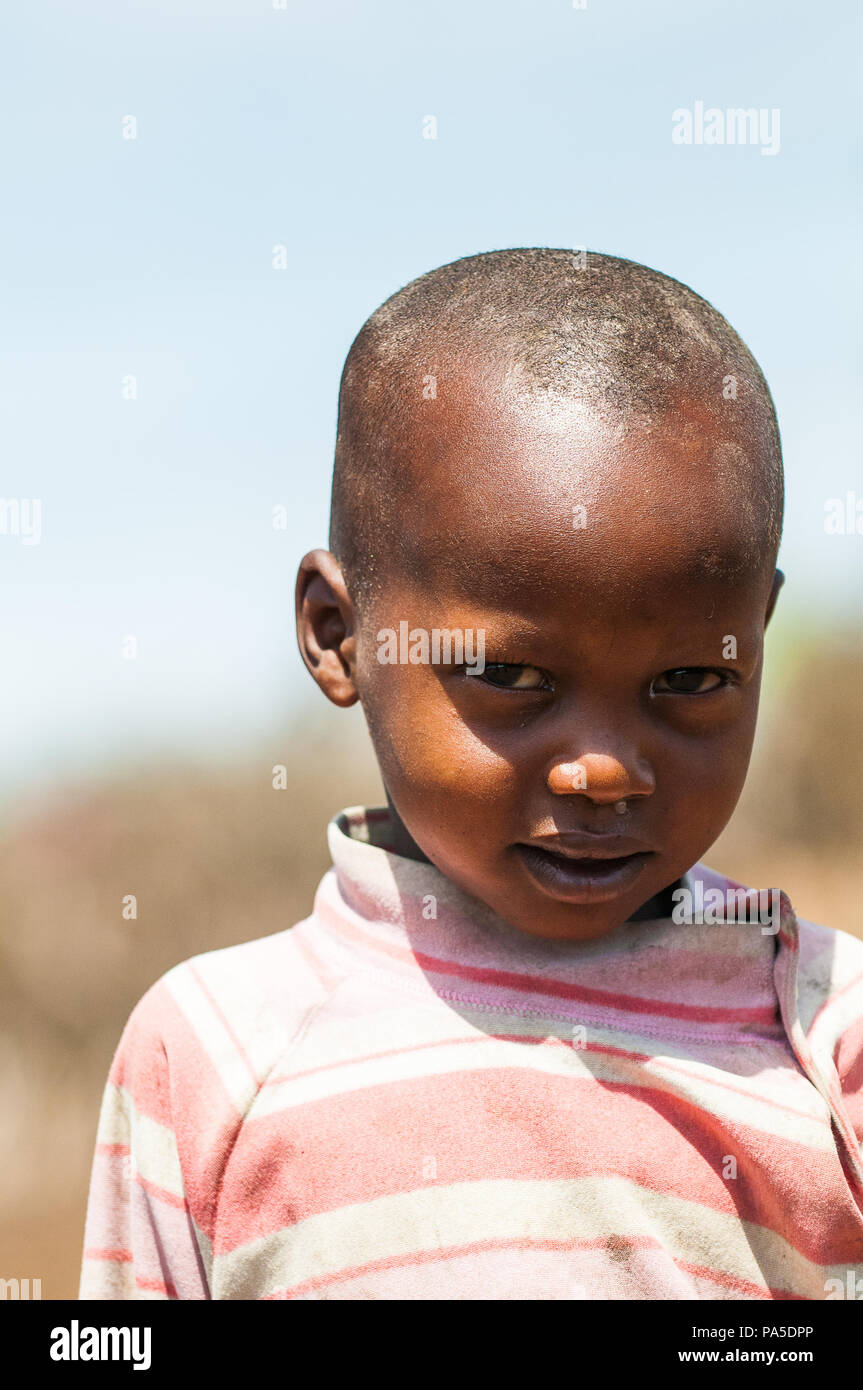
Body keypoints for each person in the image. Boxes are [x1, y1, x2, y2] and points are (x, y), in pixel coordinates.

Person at [79, 249, 863, 1300]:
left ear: (755, 632)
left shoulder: (826, 1031)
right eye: (509, 676)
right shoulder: (215, 1052)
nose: (603, 770)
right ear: (338, 634)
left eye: (688, 678)